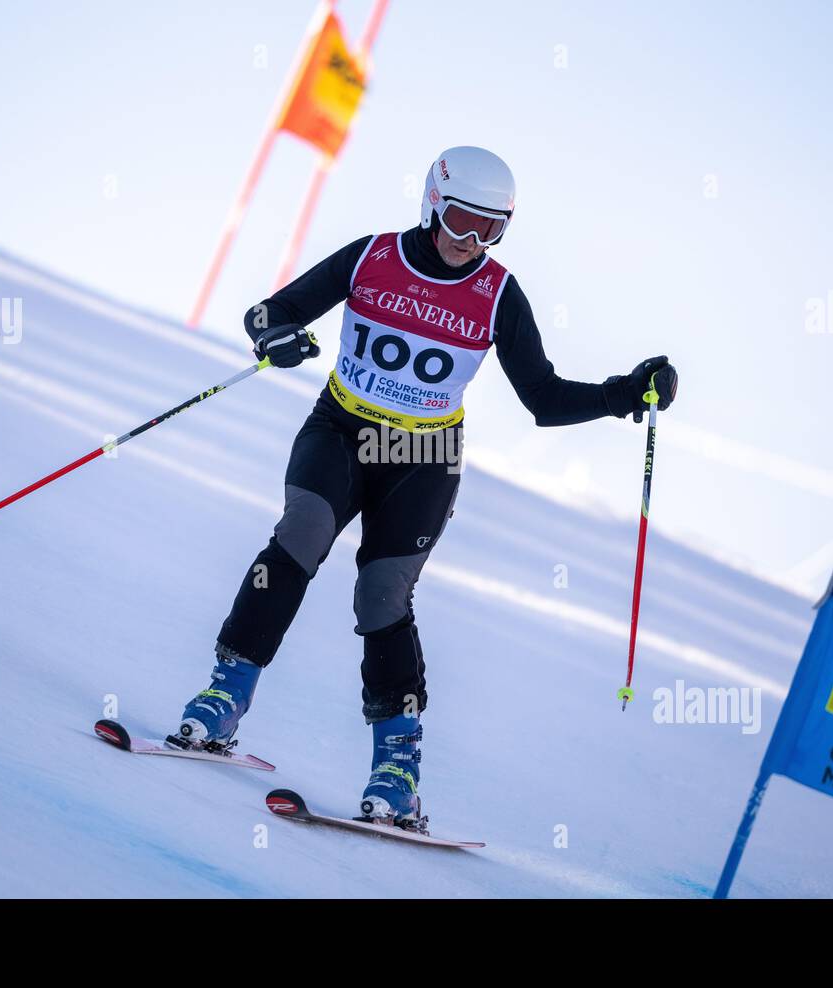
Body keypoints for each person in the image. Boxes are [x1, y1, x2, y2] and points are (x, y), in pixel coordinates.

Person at [169, 146, 678, 830]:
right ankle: (224, 696)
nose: (470, 242)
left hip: (423, 454)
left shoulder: (498, 294)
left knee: (381, 596)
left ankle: (398, 770)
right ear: (433, 202)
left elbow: (545, 399)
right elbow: (271, 312)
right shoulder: (373, 256)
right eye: (462, 220)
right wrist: (278, 336)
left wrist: (624, 393)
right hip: (342, 430)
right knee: (300, 535)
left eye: (489, 230)